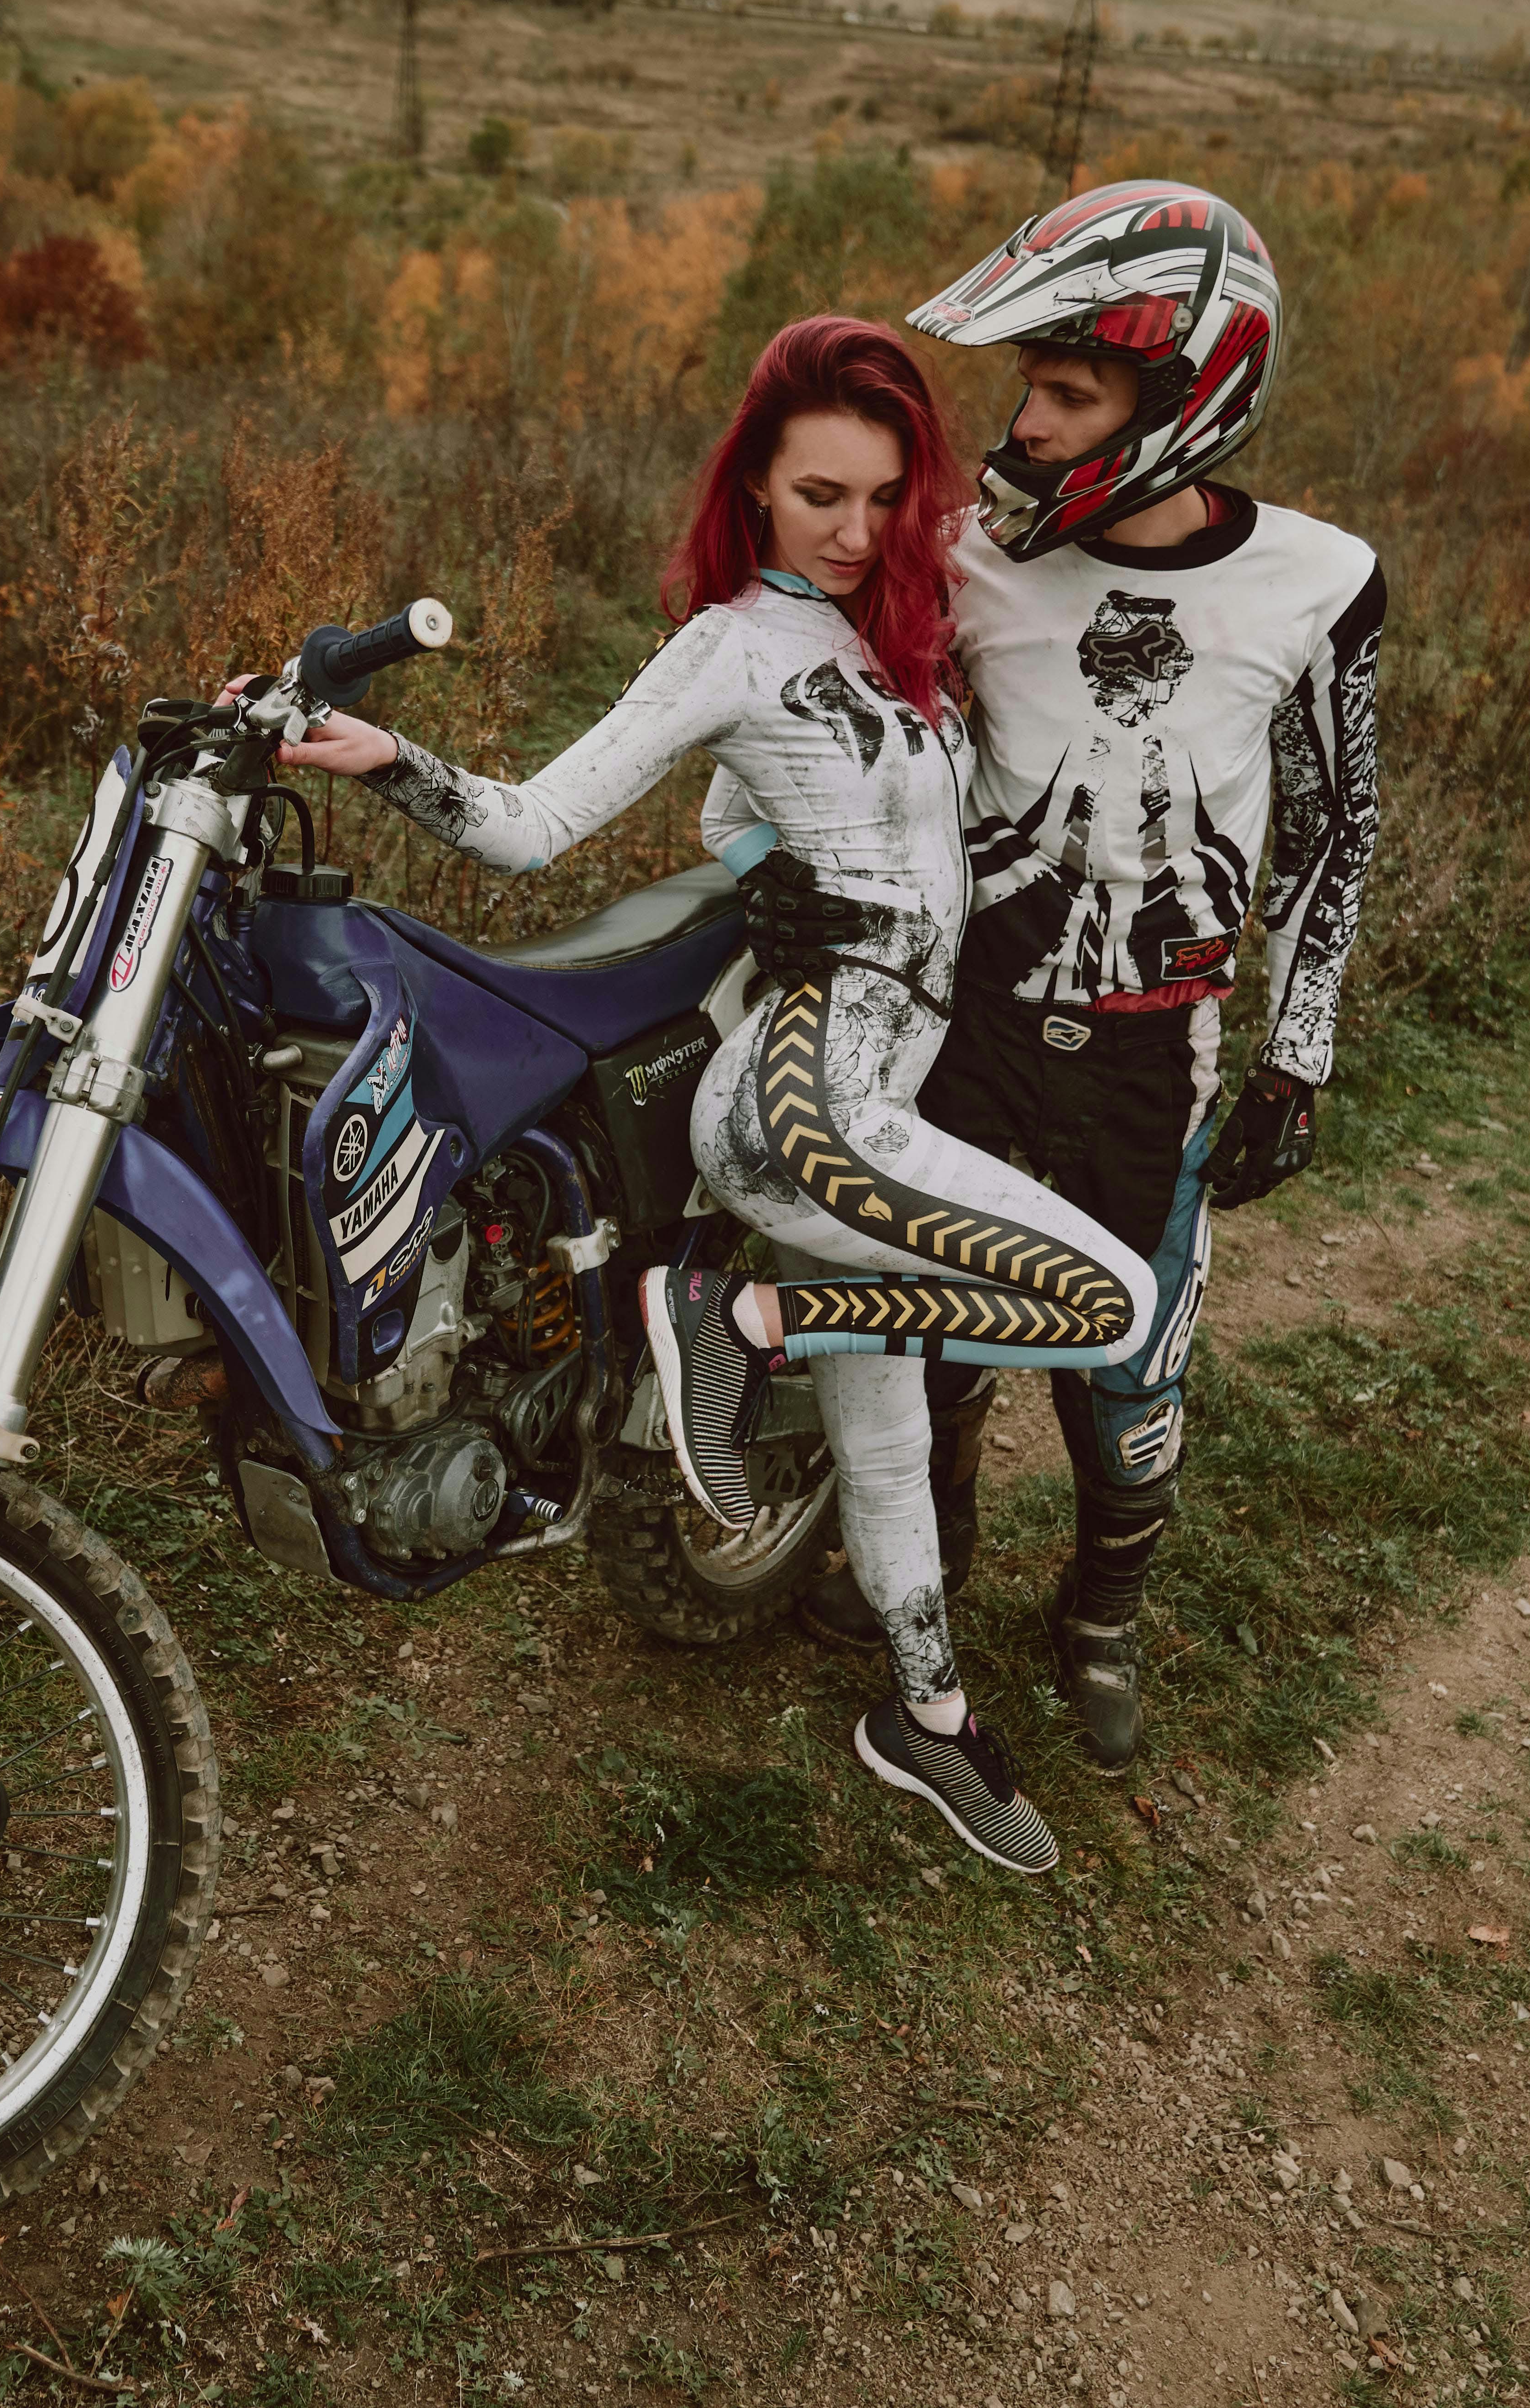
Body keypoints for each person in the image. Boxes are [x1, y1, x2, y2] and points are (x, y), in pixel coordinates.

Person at [266, 314, 1153, 1878]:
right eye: (819, 495)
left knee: (885, 1433)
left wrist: (764, 866)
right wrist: (385, 754)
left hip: (871, 1096)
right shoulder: (731, 643)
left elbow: (739, 805)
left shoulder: (885, 633)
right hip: (804, 1110)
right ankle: (736, 1321)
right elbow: (532, 827)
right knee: (1112, 1304)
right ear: (754, 485)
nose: (855, 529)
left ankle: (930, 1717)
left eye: (882, 497)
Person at [762, 181, 1389, 1777]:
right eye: (1027, 386)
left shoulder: (1320, 582)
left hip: (1154, 1051)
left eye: (1069, 393)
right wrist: (792, 865)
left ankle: (1104, 1611)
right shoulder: (964, 552)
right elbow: (841, 711)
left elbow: (1337, 827)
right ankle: (941, 1551)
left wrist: (1300, 1054)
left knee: (1128, 1363)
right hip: (965, 1016)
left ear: (1185, 399)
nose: (1027, 423)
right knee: (940, 1316)